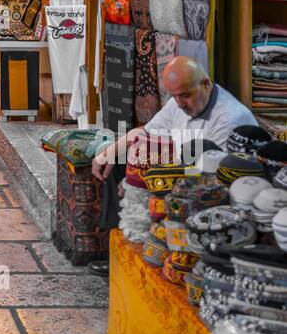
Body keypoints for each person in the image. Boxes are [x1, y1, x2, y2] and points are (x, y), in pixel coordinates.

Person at [89, 56, 257, 275]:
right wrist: (110, 153)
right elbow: (146, 133)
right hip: (178, 166)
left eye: (185, 96)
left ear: (205, 84)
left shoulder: (228, 119)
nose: (179, 103)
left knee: (138, 178)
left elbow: (208, 179)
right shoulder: (180, 101)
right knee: (117, 163)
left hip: (208, 186)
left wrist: (140, 181)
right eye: (174, 96)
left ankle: (148, 248)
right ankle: (120, 249)